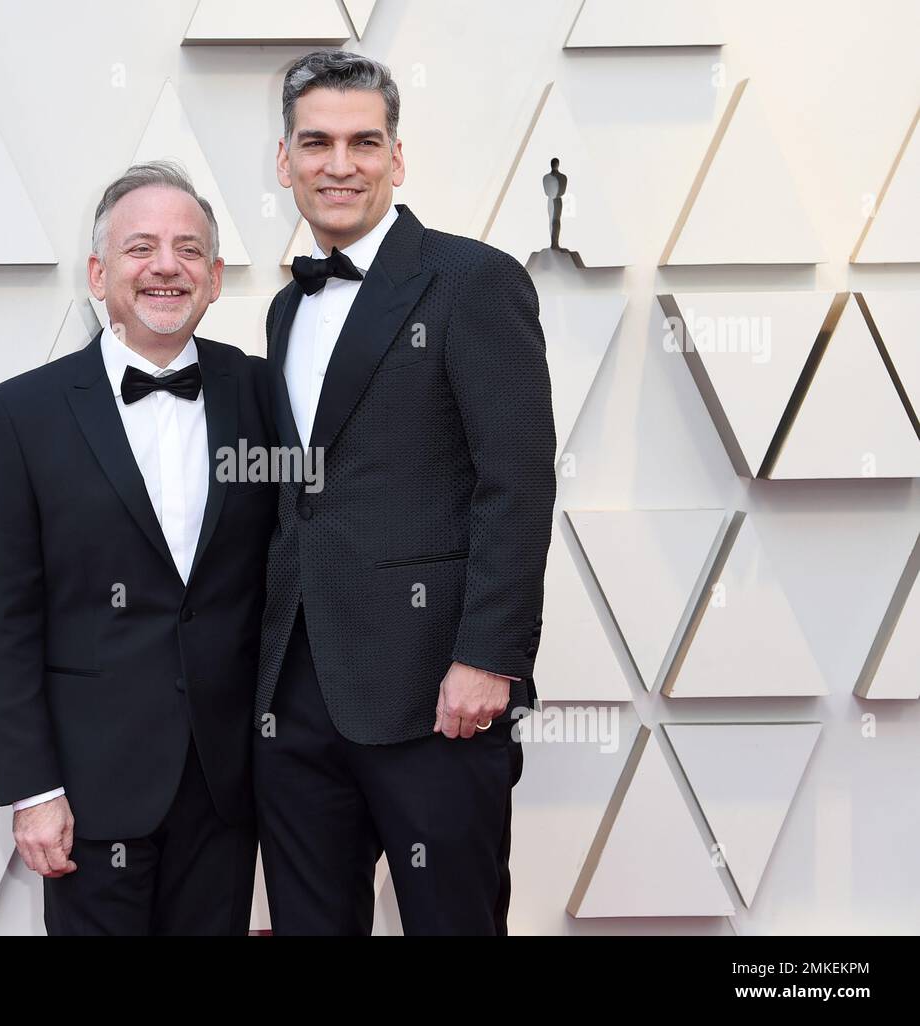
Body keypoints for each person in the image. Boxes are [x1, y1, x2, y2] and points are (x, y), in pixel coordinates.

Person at [254, 50, 557, 935]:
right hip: (297, 691)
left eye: (363, 142)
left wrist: (489, 659)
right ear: (285, 162)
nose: (338, 164)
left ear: (397, 157)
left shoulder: (473, 281)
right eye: (316, 143)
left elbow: (518, 481)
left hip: (437, 693)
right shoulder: (284, 309)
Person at [0, 161, 276, 935]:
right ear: (100, 274)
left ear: (213, 279)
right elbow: (1, 618)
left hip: (227, 787)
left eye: (188, 250)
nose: (165, 266)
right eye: (141, 248)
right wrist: (32, 789)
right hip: (88, 794)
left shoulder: (265, 396)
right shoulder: (23, 414)